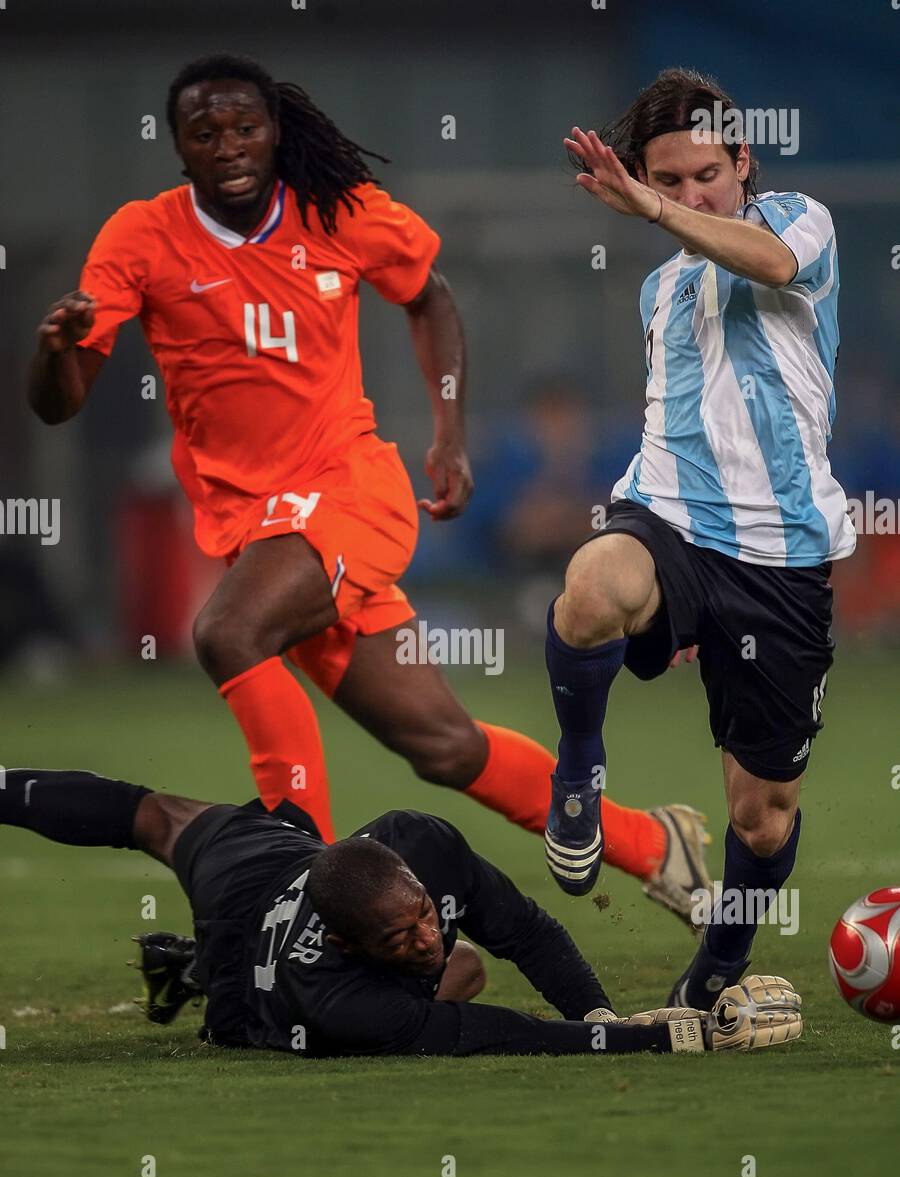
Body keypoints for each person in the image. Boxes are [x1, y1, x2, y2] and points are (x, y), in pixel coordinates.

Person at [28, 51, 708, 924]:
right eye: (207, 133)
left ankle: (290, 892)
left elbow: (429, 297)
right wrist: (55, 350)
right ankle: (657, 847)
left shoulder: (334, 210)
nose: (229, 145)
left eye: (245, 127)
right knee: (443, 744)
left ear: (275, 131)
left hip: (350, 495)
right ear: (179, 146)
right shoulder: (141, 237)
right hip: (263, 535)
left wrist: (449, 433)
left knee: (231, 633)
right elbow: (59, 404)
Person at [542, 69, 855, 1006]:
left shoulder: (803, 224)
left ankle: (716, 970)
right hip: (668, 518)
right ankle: (578, 773)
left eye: (705, 176)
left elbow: (762, 264)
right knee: (593, 585)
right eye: (665, 182)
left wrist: (652, 209)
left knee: (760, 820)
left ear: (744, 161)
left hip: (782, 556)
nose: (688, 196)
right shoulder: (658, 292)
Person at [0, 767, 801, 1058]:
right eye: (401, 935)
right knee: (461, 977)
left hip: (274, 867)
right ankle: (205, 972)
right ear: (351, 942)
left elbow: (526, 929)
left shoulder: (420, 846)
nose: (425, 933)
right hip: (264, 982)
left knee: (158, 812)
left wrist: (601, 1011)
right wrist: (648, 1040)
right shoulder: (340, 1002)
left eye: (424, 912)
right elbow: (501, 1036)